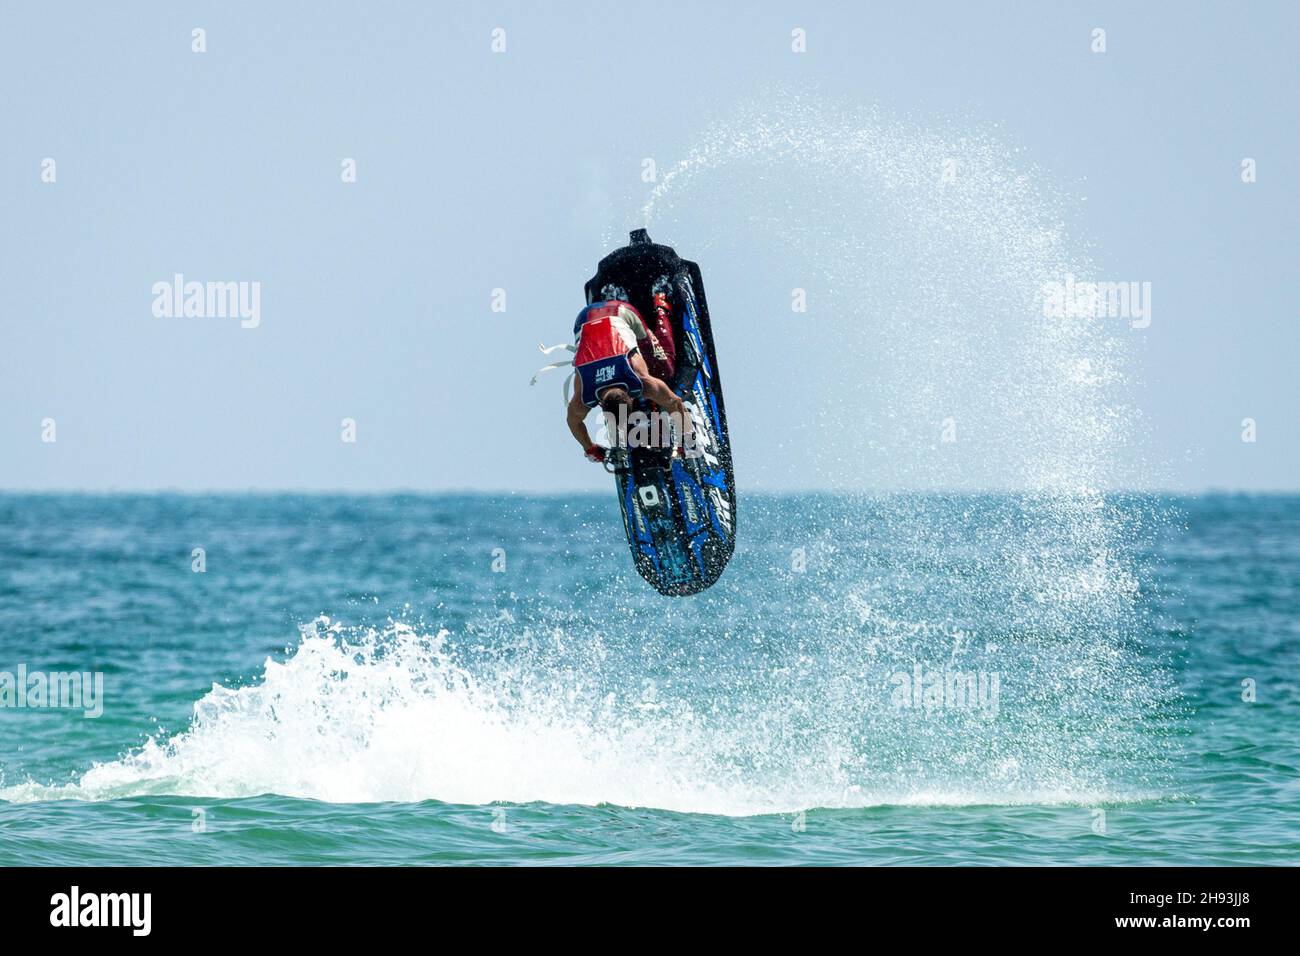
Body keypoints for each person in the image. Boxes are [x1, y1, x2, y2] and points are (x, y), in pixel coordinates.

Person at [566, 283, 688, 463]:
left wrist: (684, 442)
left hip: (621, 313)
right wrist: (590, 448)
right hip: (585, 318)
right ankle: (613, 294)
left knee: (664, 368)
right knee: (662, 388)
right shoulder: (584, 394)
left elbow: (574, 423)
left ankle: (660, 301)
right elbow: (675, 405)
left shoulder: (640, 380)